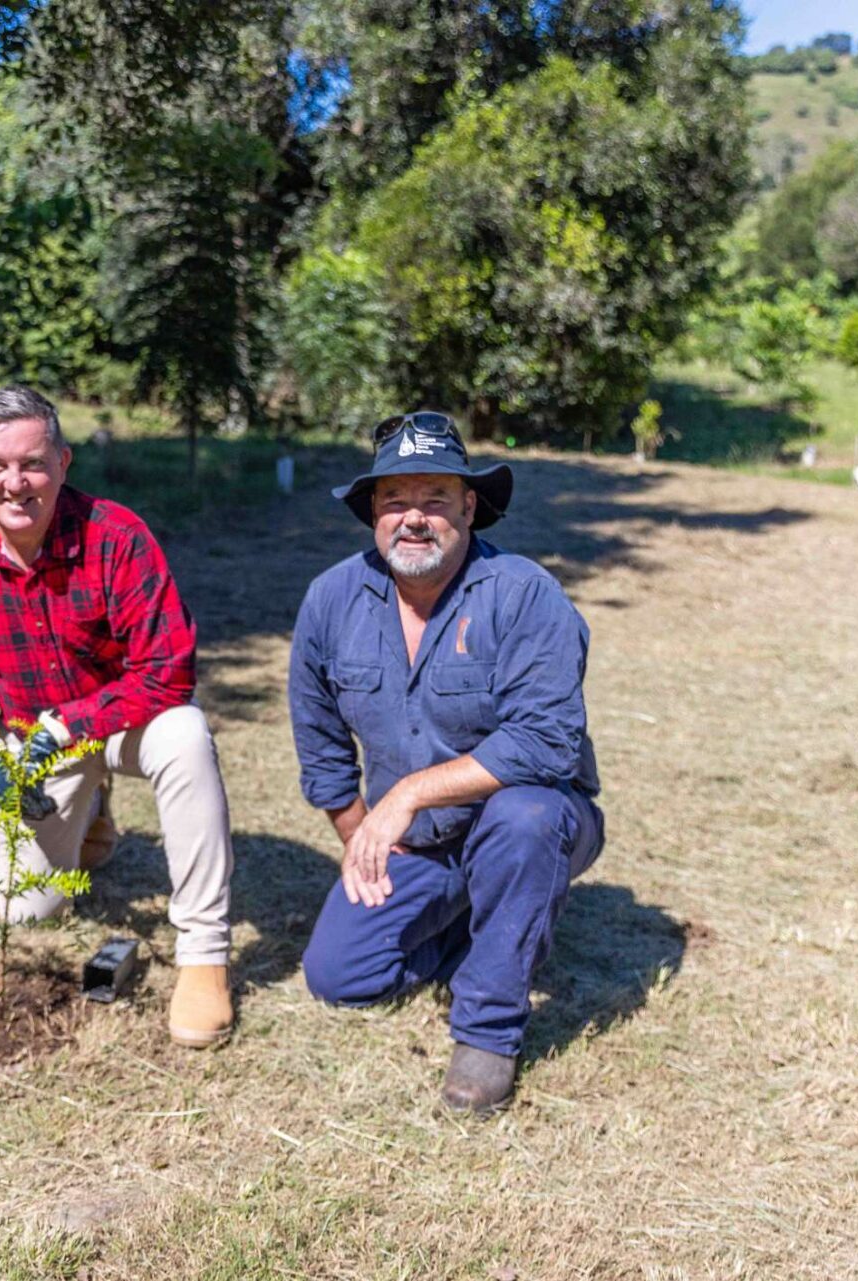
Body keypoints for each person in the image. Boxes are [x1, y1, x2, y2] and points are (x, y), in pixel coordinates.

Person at [289, 411, 604, 1112]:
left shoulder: (526, 594)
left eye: (435, 499)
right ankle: (488, 926)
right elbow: (320, 742)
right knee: (340, 975)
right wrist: (361, 837)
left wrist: (407, 792)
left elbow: (547, 741)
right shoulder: (331, 600)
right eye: (396, 500)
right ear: (373, 510)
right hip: (423, 844)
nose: (414, 518)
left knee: (524, 818)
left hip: (534, 817)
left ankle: (487, 1031)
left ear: (469, 506)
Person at [0, 386, 236, 1048]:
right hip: (34, 745)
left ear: (63, 461)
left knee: (186, 734)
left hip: (121, 722)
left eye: (32, 463)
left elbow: (167, 670)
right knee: (22, 913)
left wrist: (68, 724)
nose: (15, 482)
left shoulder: (117, 536)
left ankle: (204, 953)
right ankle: (90, 815)